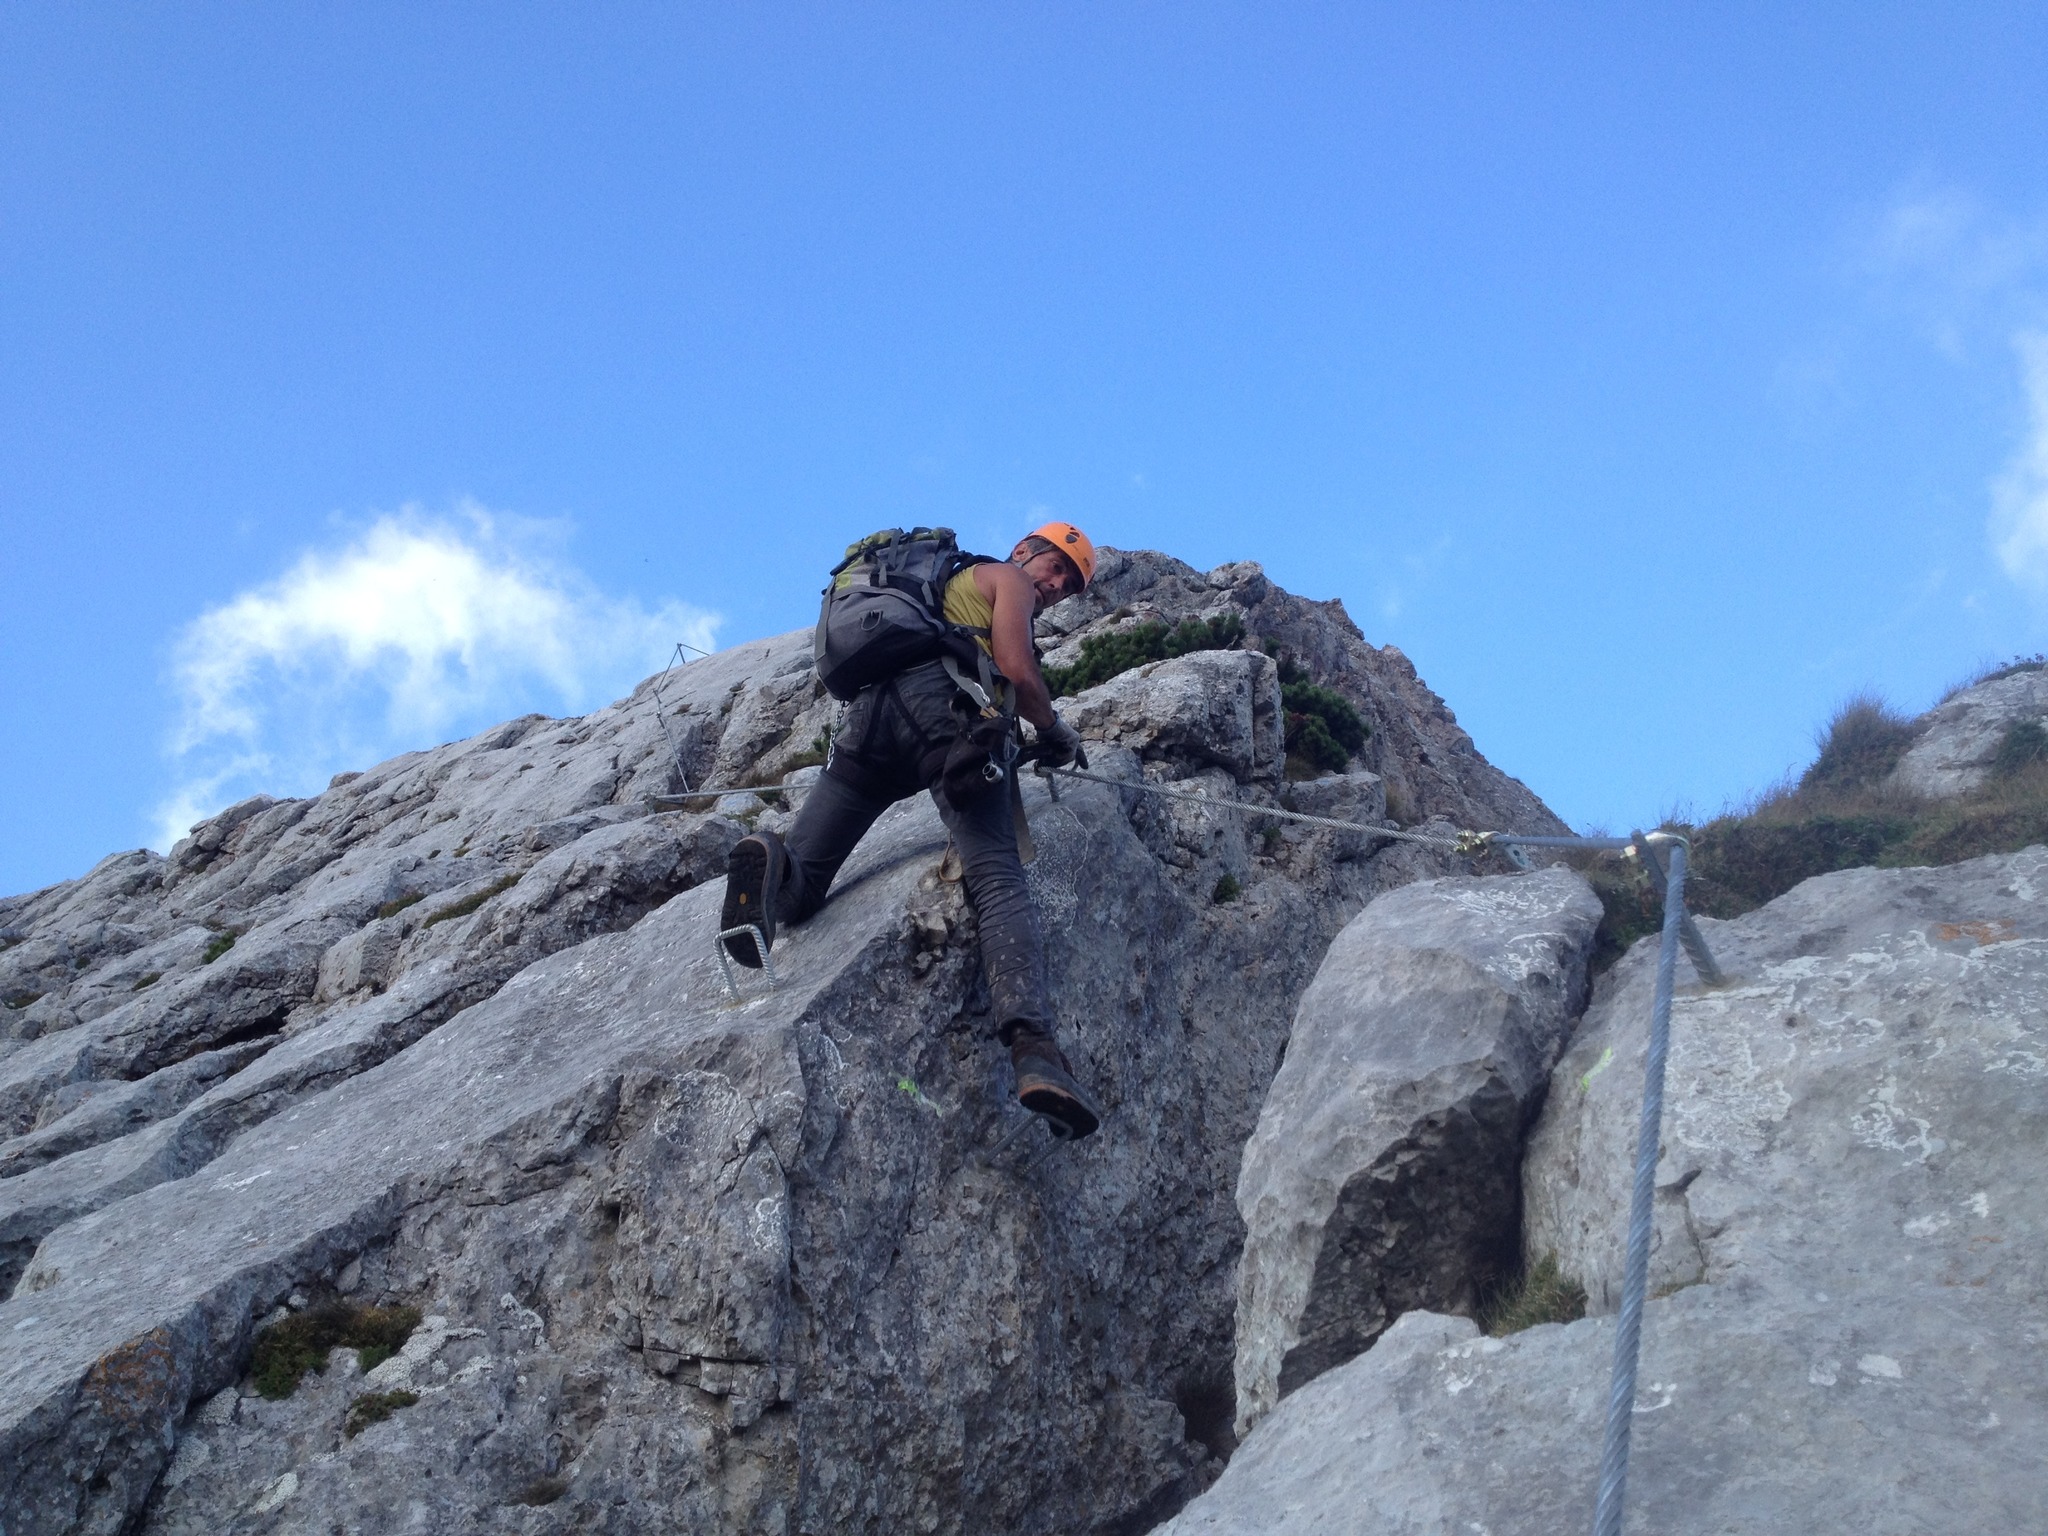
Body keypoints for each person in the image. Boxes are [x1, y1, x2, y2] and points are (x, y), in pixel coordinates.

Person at [720, 521, 1104, 1138]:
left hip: (869, 720)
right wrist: (1055, 730)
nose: (1057, 585)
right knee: (997, 871)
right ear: (1026, 550)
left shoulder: (941, 588)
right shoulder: (1006, 579)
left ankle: (768, 856)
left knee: (798, 895)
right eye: (1056, 567)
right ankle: (1035, 1050)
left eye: (1069, 583)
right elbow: (1015, 666)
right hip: (943, 713)